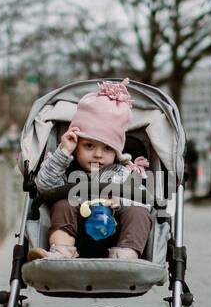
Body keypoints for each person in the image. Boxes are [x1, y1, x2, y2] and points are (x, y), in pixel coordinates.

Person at [27, 78, 152, 261]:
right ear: (77, 145)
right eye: (89, 146)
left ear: (117, 152)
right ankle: (60, 253)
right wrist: (64, 152)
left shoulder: (123, 172)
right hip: (75, 236)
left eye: (107, 148)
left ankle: (127, 255)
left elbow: (144, 200)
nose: (98, 155)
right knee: (63, 203)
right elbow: (44, 186)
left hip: (115, 236)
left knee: (139, 212)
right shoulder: (66, 169)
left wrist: (121, 200)